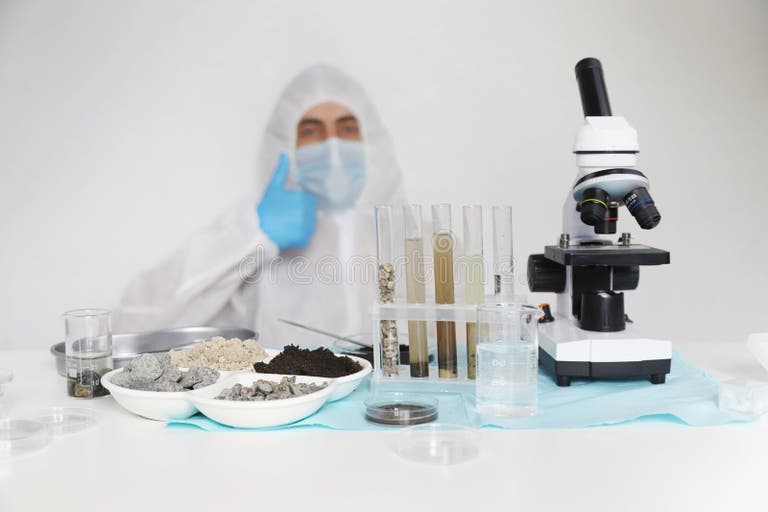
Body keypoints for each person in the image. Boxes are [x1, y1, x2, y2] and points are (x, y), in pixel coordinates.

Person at [115, 64, 406, 346]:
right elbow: (134, 327)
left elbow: (446, 346)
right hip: (288, 393)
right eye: (311, 131)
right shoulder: (252, 229)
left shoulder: (411, 238)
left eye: (346, 128)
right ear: (285, 146)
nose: (332, 147)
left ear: (371, 139)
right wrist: (254, 234)